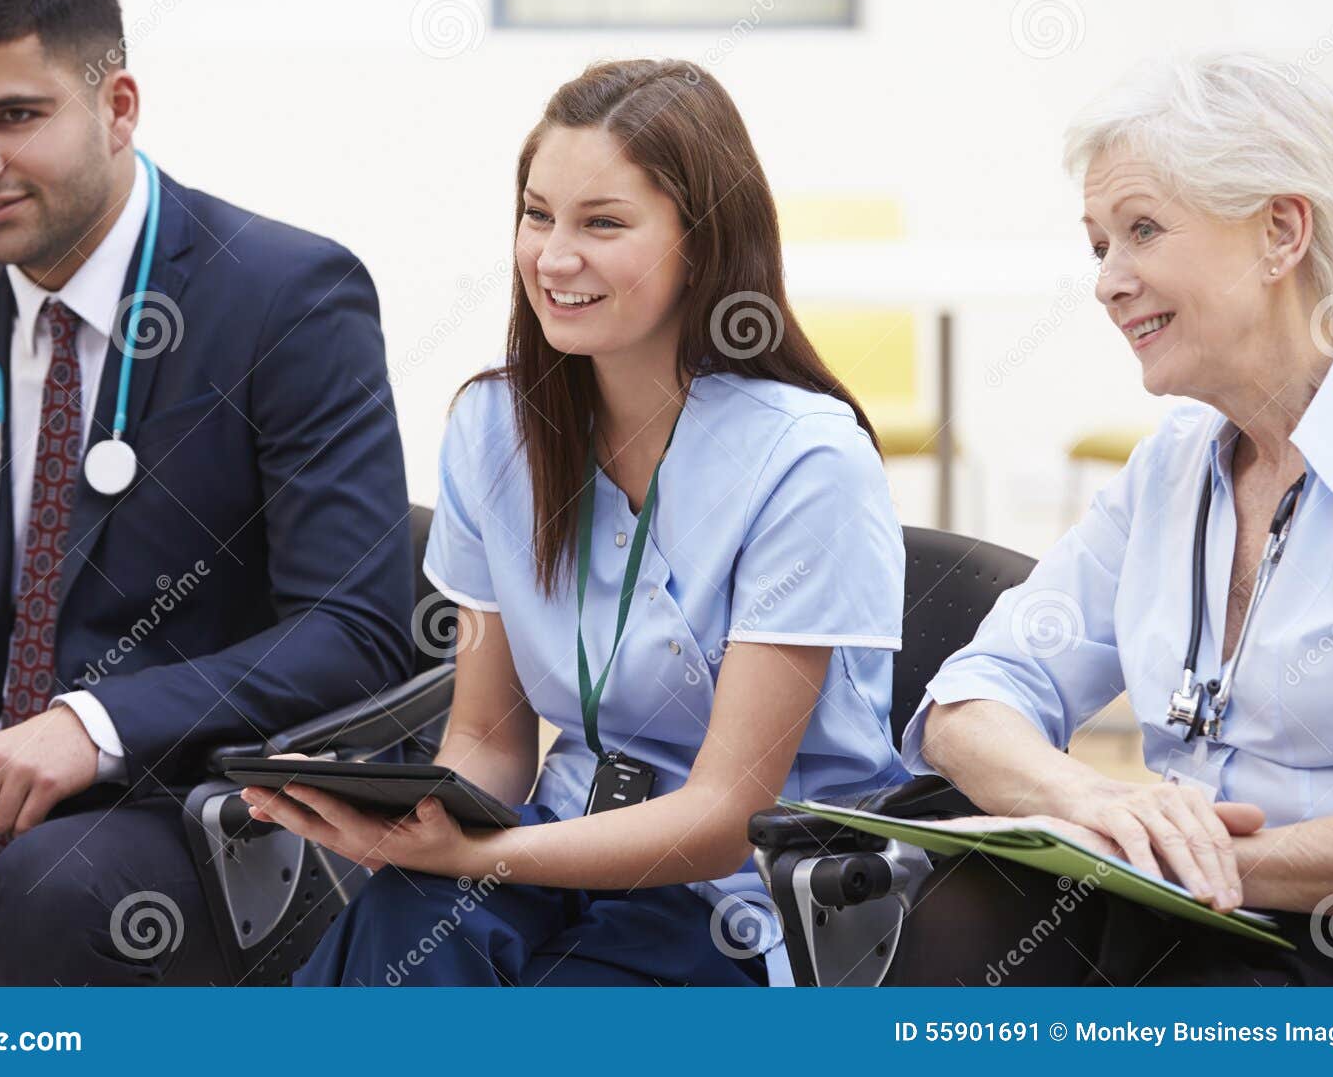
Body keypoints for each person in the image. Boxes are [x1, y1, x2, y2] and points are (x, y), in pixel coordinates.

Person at [0, 0, 413, 984]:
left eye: (13, 116)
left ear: (118, 105)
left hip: (208, 810)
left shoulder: (287, 299)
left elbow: (353, 634)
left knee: (59, 883)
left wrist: (91, 723)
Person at [242, 59, 907, 986]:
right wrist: (412, 822)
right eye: (537, 213)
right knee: (404, 929)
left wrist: (472, 859)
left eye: (603, 223)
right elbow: (490, 738)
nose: (554, 257)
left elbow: (723, 816)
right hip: (552, 843)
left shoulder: (807, 459)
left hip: (739, 894)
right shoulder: (492, 429)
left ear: (703, 243)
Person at [897, 52, 1333, 985]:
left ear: (1281, 232)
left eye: (1143, 231)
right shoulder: (1172, 464)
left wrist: (1189, 862)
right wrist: (1088, 800)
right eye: (1098, 245)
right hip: (1171, 928)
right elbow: (972, 699)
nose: (1108, 282)